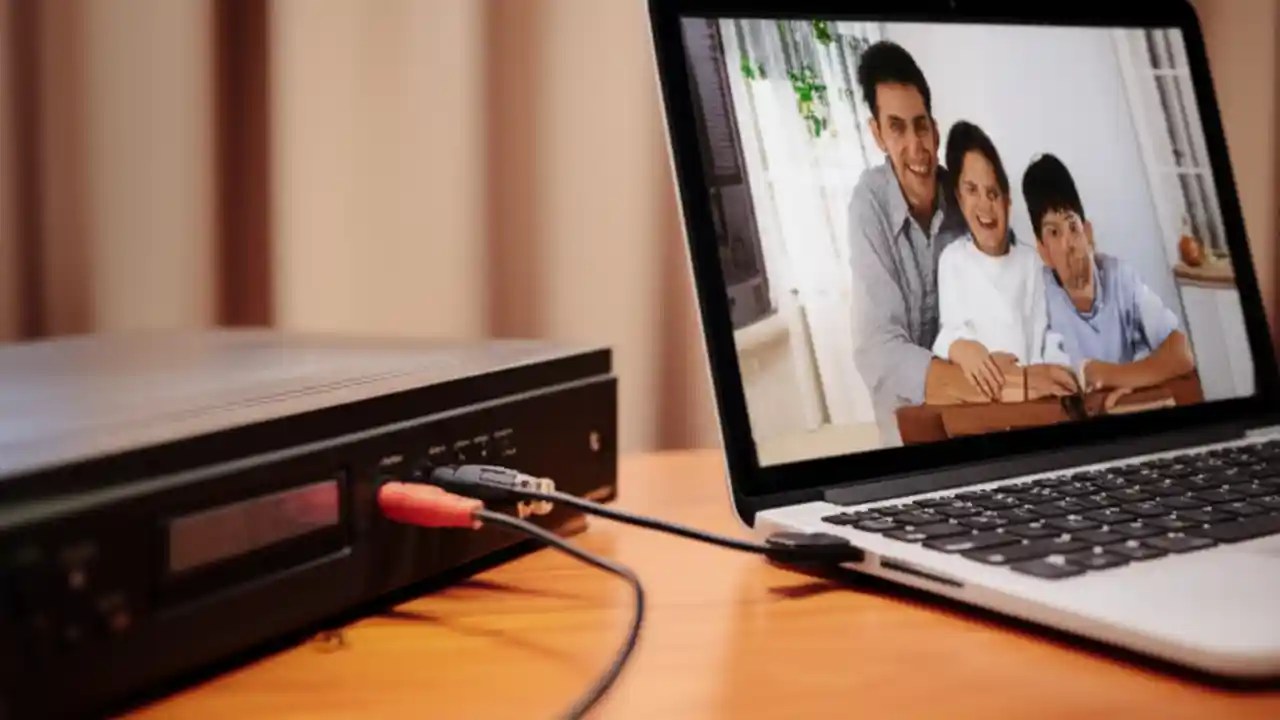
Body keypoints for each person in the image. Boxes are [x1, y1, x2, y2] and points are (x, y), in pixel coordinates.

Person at [847, 42, 1075, 444]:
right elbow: (879, 351)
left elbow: (1010, 273)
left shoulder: (963, 199)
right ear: (878, 134)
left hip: (984, 414)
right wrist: (1010, 385)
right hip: (911, 421)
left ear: (935, 129)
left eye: (921, 125)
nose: (916, 146)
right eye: (897, 128)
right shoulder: (869, 205)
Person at [1021, 153, 1196, 395]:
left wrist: (1110, 376)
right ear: (1043, 251)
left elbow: (1182, 352)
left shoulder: (1120, 277)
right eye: (1054, 233)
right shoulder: (1038, 298)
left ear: (1088, 233)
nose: (1068, 243)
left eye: (1073, 226)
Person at [932, 122, 1073, 400]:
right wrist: (961, 348)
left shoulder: (1031, 263)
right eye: (972, 190)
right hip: (983, 397)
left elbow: (1042, 333)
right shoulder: (953, 260)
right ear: (959, 197)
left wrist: (1039, 377)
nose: (985, 205)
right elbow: (949, 334)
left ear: (1007, 202)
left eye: (993, 193)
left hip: (1031, 392)